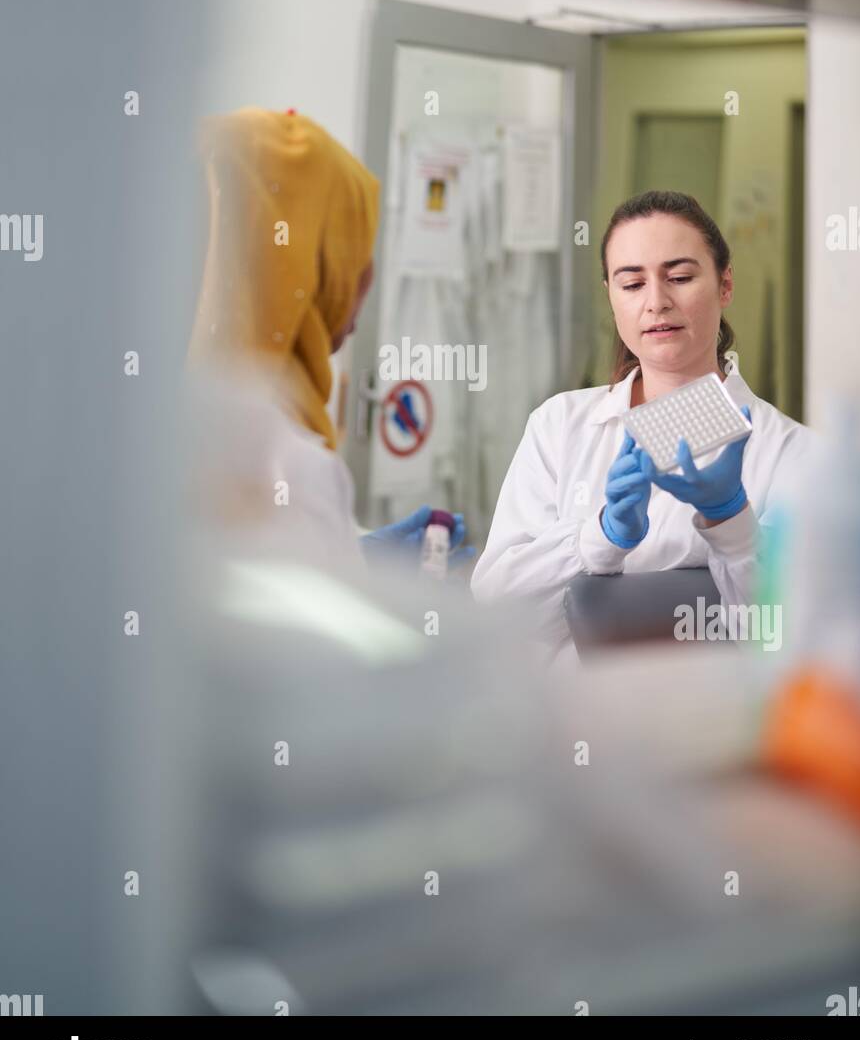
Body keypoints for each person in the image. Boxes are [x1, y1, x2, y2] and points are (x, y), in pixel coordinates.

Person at [471, 190, 814, 659]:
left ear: (725, 284)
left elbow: (791, 642)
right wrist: (600, 537)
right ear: (611, 296)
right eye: (632, 284)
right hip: (568, 725)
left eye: (679, 277)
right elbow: (499, 612)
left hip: (714, 730)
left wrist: (731, 523)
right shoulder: (560, 426)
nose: (656, 302)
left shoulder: (793, 453)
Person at [187, 107, 465, 566]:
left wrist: (351, 557)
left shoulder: (128, 416)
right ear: (304, 265)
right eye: (351, 255)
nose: (364, 285)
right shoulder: (287, 463)